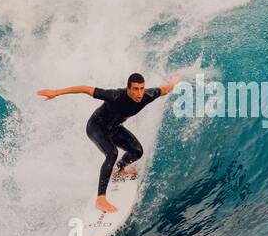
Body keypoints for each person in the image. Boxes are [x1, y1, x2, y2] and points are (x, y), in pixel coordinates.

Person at [37, 71, 182, 213]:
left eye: (142, 88)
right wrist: (56, 92)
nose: (139, 93)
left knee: (137, 151)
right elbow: (85, 89)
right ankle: (100, 199)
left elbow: (165, 89)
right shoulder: (115, 95)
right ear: (128, 88)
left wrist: (175, 79)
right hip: (96, 127)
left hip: (114, 128)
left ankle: (119, 170)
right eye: (136, 89)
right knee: (112, 153)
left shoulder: (147, 96)